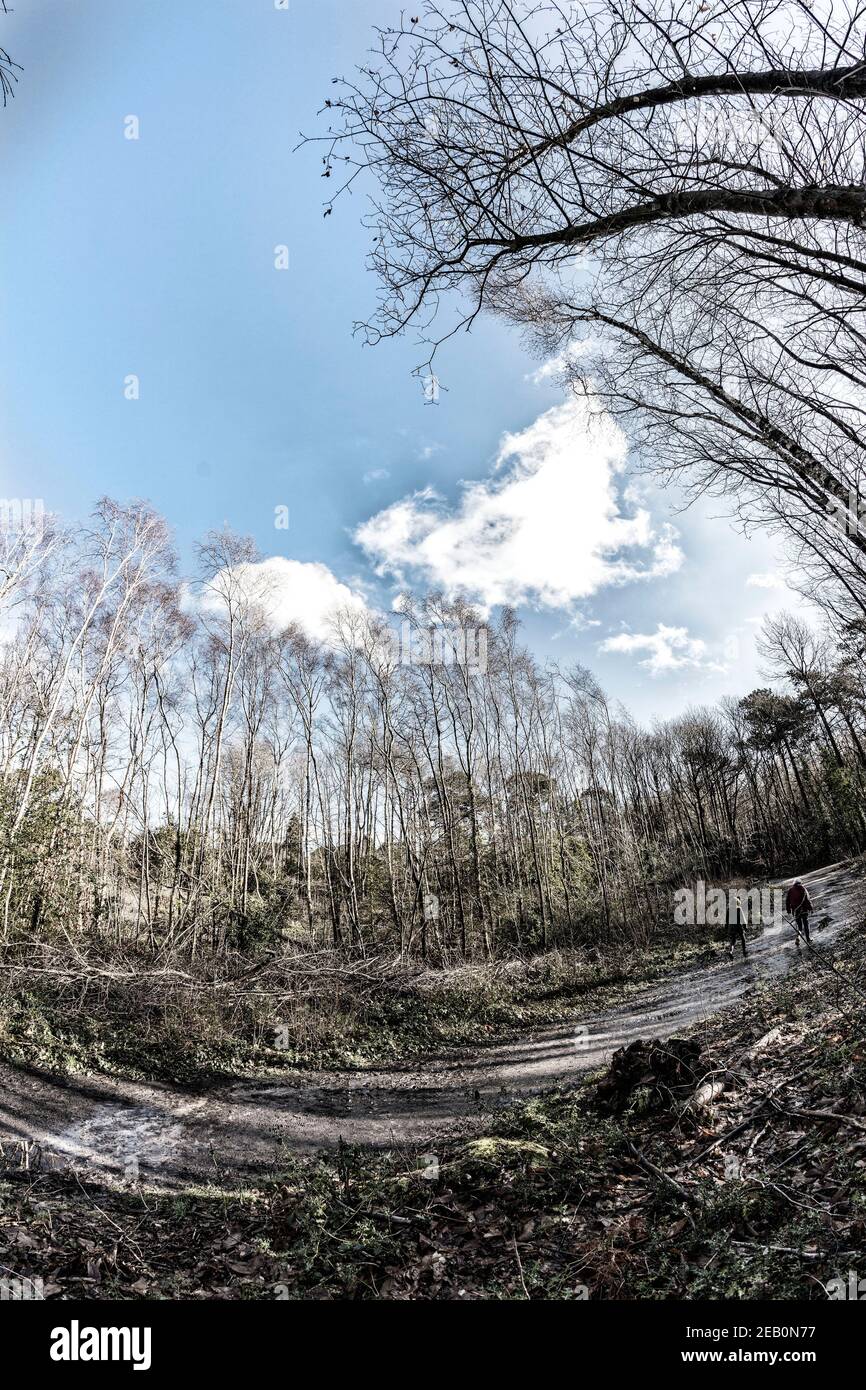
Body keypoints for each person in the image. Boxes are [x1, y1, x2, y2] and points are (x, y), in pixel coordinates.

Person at [785, 878, 814, 945]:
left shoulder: (790, 890)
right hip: (804, 910)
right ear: (800, 883)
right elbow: (807, 900)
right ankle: (808, 939)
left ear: (794, 884)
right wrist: (811, 908)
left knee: (799, 926)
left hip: (795, 911)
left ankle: (798, 937)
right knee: (806, 924)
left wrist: (789, 910)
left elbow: (787, 901)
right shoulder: (803, 889)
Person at [728, 892, 748, 959]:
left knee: (733, 940)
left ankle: (730, 952)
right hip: (738, 926)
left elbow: (726, 920)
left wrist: (726, 928)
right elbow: (743, 918)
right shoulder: (739, 909)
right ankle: (744, 952)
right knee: (743, 938)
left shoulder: (729, 909)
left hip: (731, 926)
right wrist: (745, 927)